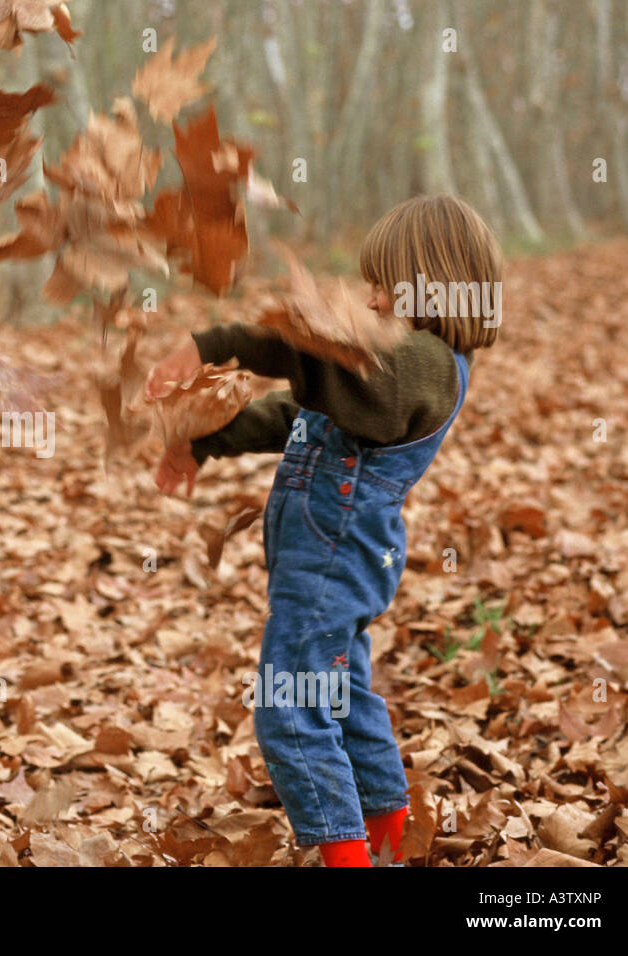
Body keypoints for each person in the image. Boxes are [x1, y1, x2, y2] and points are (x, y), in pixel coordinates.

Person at [150, 194, 502, 866]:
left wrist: (213, 344)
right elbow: (296, 411)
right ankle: (390, 838)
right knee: (339, 693)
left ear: (432, 286)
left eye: (383, 287)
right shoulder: (388, 375)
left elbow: (317, 358)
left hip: (333, 564)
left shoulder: (420, 368)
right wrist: (202, 439)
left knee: (289, 707)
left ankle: (344, 854)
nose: (369, 301)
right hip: (333, 563)